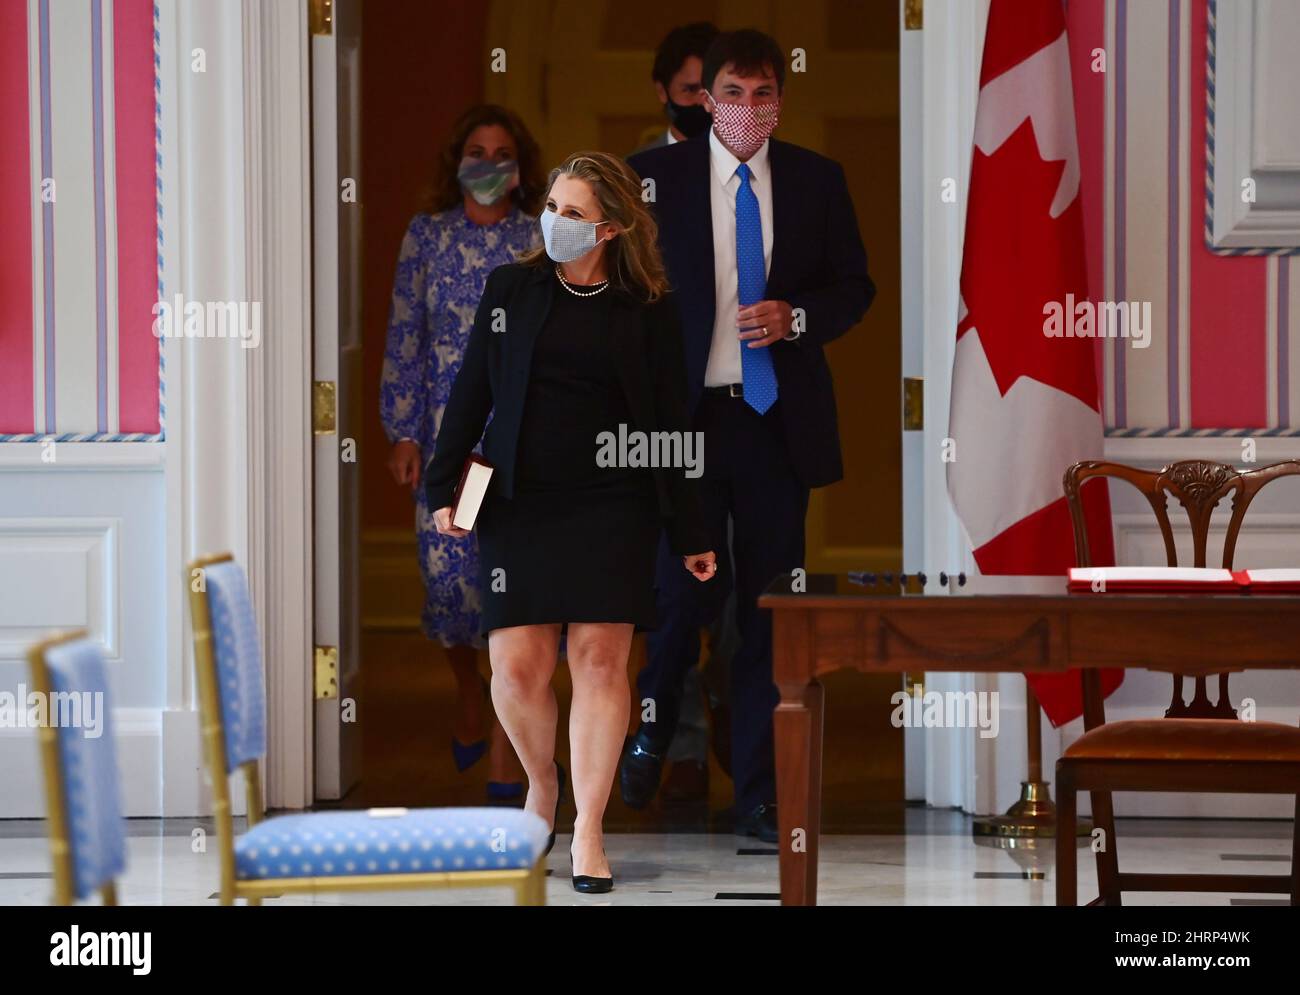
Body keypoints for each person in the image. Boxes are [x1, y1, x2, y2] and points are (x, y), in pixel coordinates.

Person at [423, 151, 716, 892]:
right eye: (552, 205)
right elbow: (471, 394)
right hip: (520, 501)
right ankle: (541, 784)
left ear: (611, 228)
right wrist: (443, 491)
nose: (553, 221)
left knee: (598, 662)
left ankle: (587, 825)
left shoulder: (647, 307)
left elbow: (671, 422)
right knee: (516, 669)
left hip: (613, 505)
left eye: (573, 212)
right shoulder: (510, 290)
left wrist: (689, 528)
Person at [625, 29, 876, 841]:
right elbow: (618, 290)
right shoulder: (652, 178)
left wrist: (796, 315)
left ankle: (762, 793)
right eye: (732, 93)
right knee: (678, 593)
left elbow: (855, 287)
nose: (747, 110)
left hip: (773, 419)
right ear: (704, 99)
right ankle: (653, 723)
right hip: (683, 423)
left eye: (764, 95)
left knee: (770, 608)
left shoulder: (815, 179)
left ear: (781, 101)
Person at [379, 104, 543, 799]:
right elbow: (405, 335)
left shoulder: (538, 238)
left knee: (515, 595)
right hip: (453, 442)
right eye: (476, 150)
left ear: (519, 168)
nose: (488, 163)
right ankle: (468, 688)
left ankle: (509, 759)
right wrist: (405, 431)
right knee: (452, 584)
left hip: (517, 439)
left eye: (501, 152)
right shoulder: (428, 237)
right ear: (458, 160)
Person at [628, 19, 732, 806]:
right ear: (665, 91)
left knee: (730, 598)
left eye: (714, 86)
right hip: (661, 422)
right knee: (673, 595)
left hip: (742, 417)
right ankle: (673, 742)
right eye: (691, 87)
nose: (702, 100)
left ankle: (723, 736)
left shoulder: (757, 173)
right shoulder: (636, 180)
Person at [631, 21, 718, 156]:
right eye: (690, 90)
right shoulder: (633, 171)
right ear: (662, 91)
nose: (703, 102)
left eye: (711, 88)